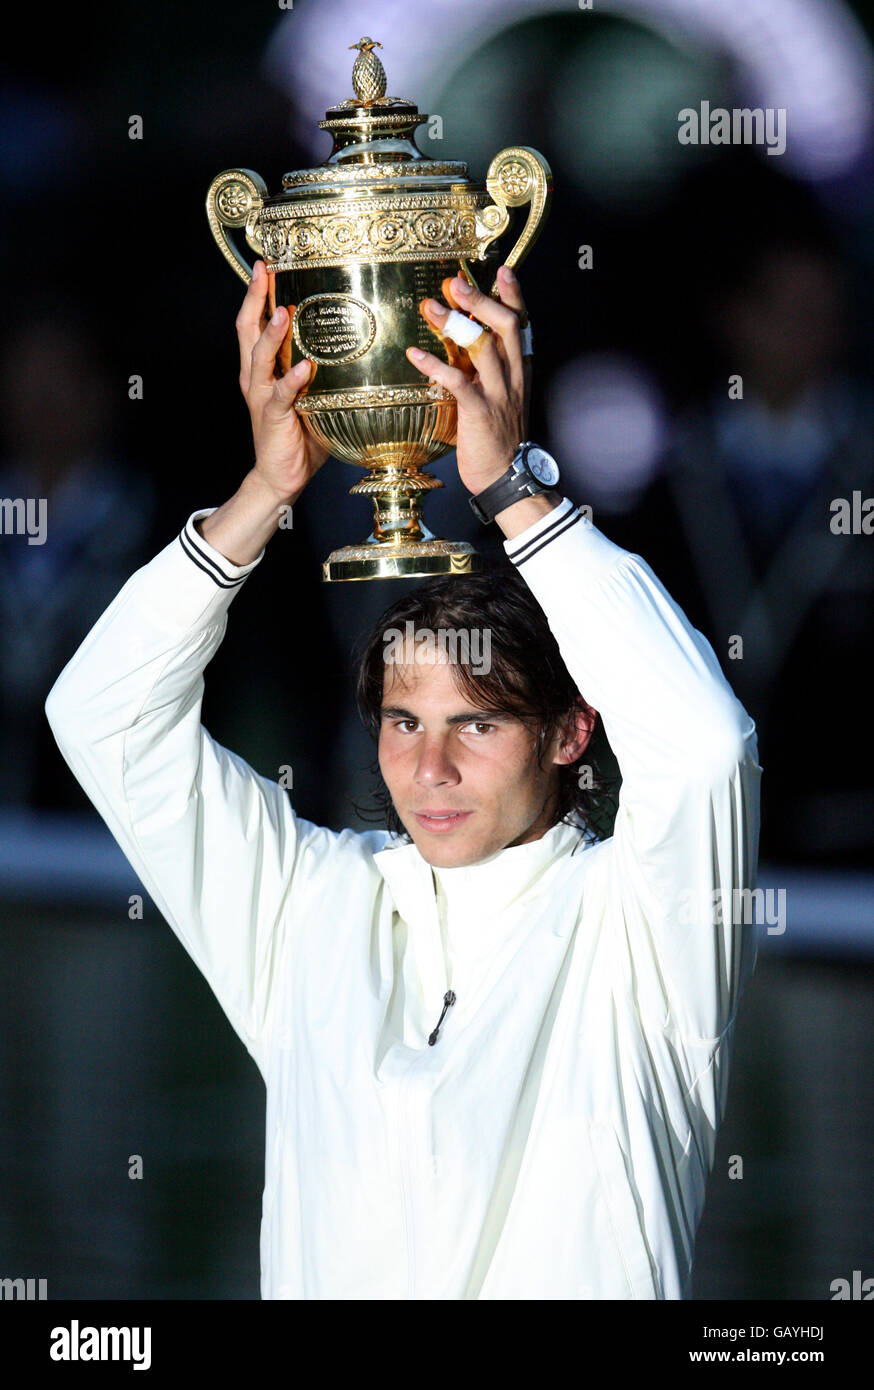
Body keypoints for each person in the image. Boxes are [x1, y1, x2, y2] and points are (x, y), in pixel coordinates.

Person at [44, 260, 761, 1300]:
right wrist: (264, 494)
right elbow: (100, 715)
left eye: (476, 721)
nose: (430, 766)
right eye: (402, 719)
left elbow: (703, 748)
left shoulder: (643, 924)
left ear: (569, 730)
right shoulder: (305, 905)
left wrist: (515, 491)